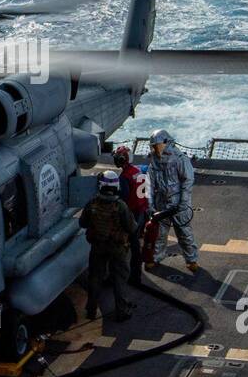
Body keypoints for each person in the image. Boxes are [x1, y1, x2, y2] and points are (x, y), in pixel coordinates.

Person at [79, 169, 137, 322]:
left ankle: (91, 310)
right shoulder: (121, 206)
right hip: (117, 247)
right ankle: (122, 310)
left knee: (95, 278)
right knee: (120, 278)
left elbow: (82, 223)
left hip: (97, 246)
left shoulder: (92, 204)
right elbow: (132, 227)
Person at [147, 129, 199, 273]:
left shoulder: (179, 159)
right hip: (161, 202)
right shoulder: (153, 162)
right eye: (154, 146)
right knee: (159, 234)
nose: (156, 149)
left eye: (158, 145)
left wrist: (183, 202)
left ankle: (191, 260)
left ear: (166, 143)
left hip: (178, 202)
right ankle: (156, 257)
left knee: (184, 232)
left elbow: (187, 181)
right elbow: (149, 184)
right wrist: (150, 204)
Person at [113, 145, 148, 287]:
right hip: (142, 211)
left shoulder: (125, 176)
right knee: (135, 245)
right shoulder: (138, 170)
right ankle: (136, 275)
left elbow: (124, 197)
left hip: (131, 213)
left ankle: (132, 276)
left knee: (126, 245)